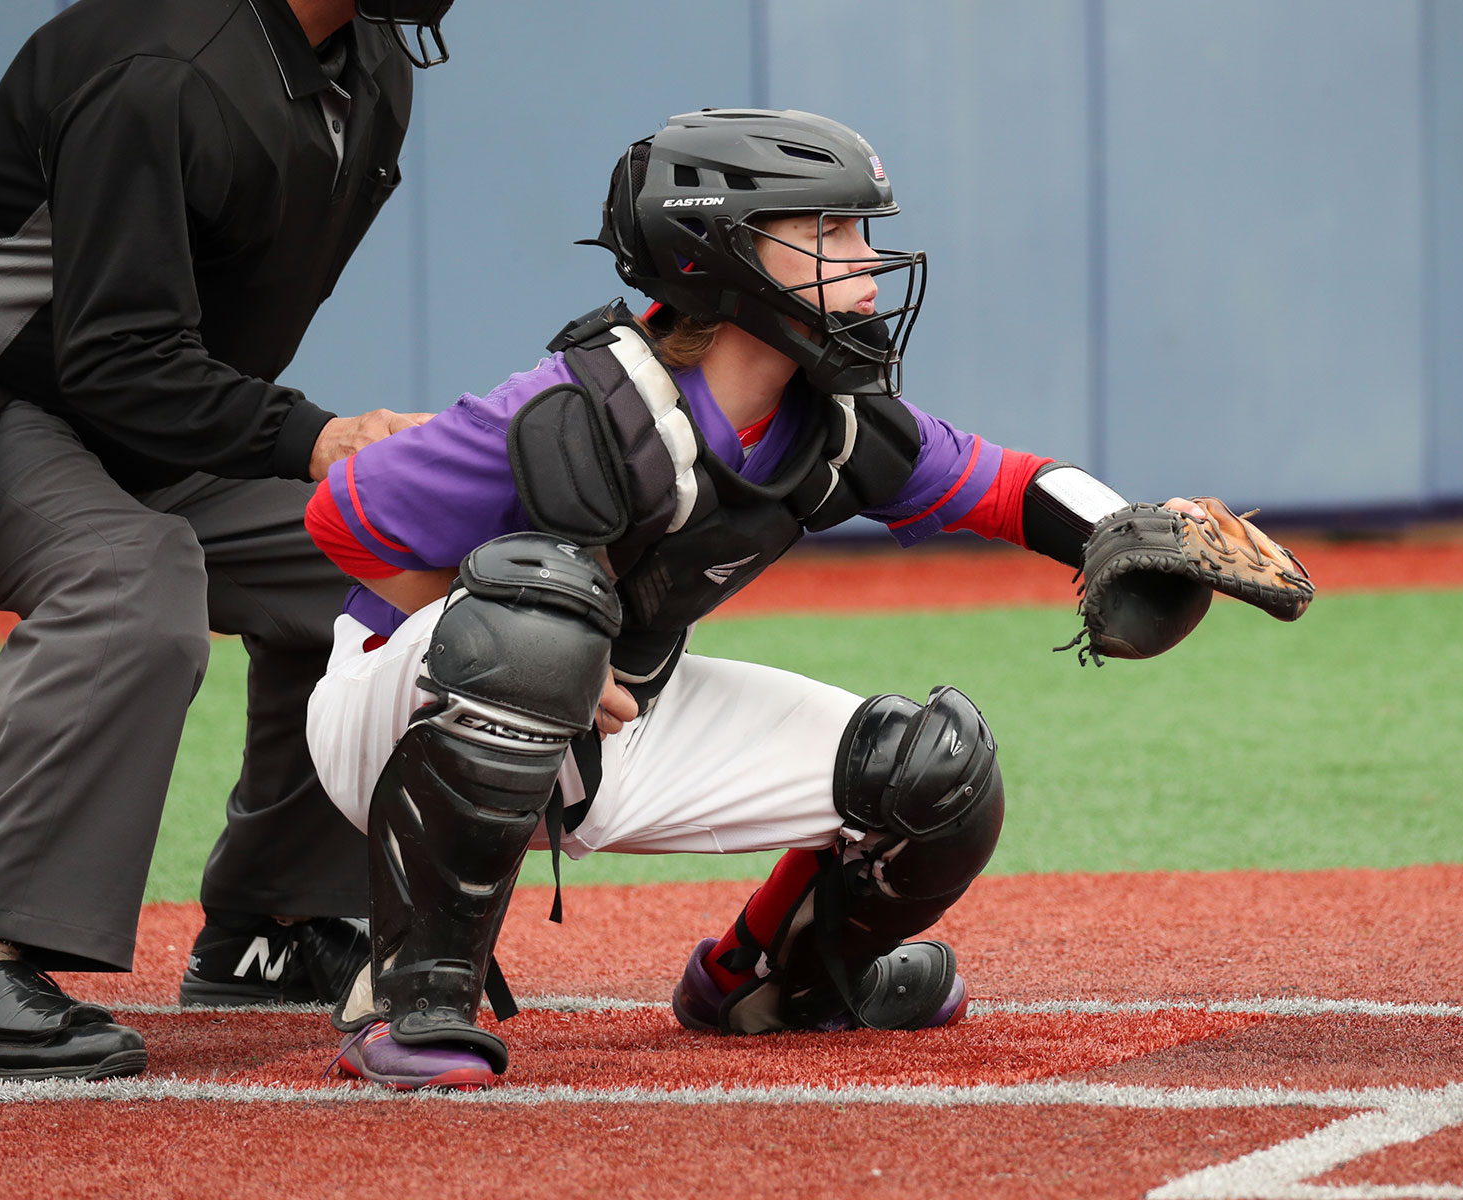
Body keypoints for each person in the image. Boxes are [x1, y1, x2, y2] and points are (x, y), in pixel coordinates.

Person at [299, 108, 1211, 1091]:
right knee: (535, 627)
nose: (867, 262)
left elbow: (1005, 485)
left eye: (861, 230)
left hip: (623, 716)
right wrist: (531, 635)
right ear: (716, 253)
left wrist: (1143, 533)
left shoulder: (831, 420)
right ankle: (411, 996)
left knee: (937, 775)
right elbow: (342, 517)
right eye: (830, 232)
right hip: (399, 714)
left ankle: (771, 981)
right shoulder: (581, 409)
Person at [0, 0, 456, 1083]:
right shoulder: (158, 68)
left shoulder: (371, 64)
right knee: (128, 578)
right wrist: (315, 436)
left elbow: (162, 349)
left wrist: (316, 457)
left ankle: (273, 920)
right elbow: (118, 355)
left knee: (383, 549)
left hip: (110, 399)